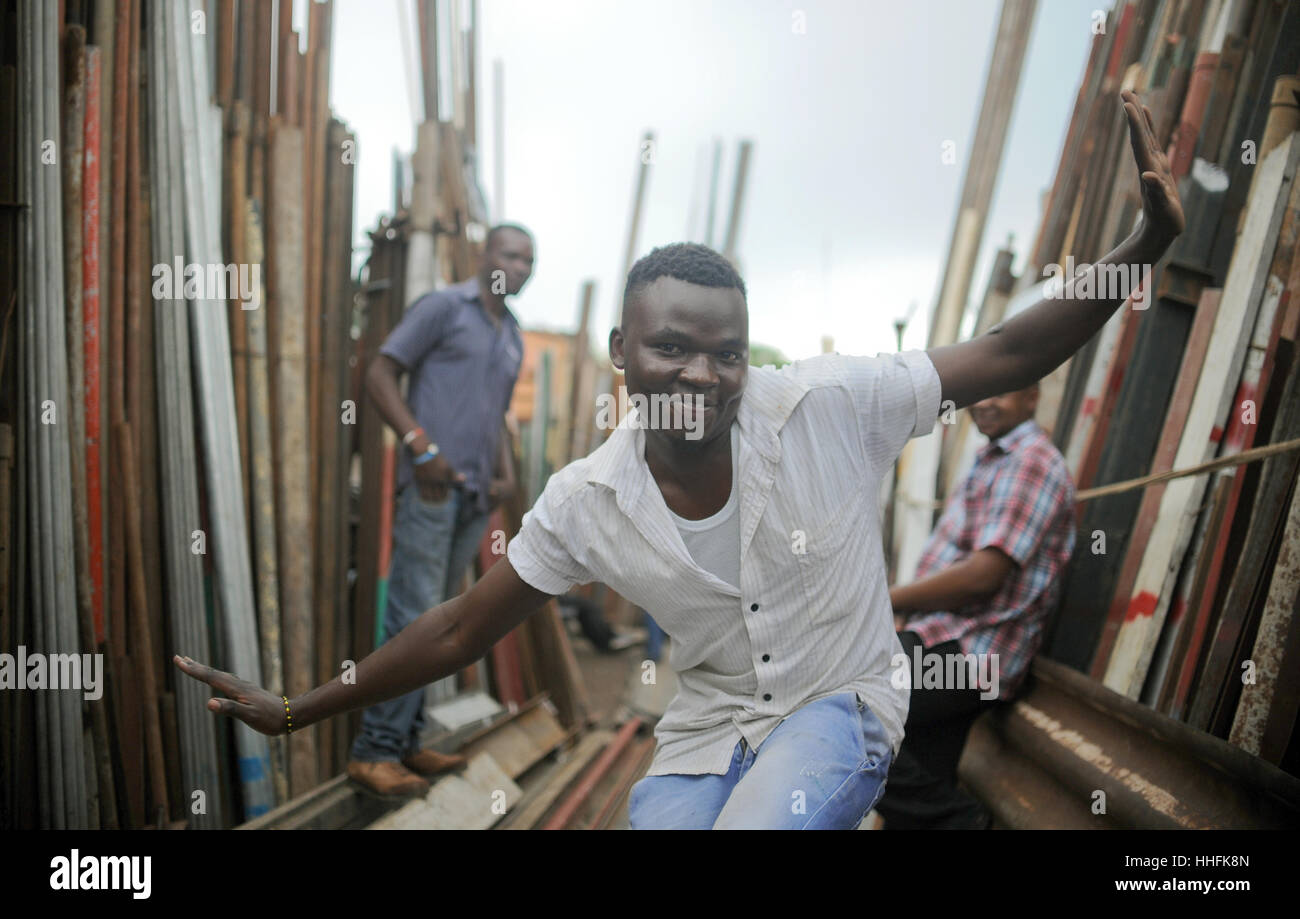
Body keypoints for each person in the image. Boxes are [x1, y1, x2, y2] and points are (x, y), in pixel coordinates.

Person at [175, 91, 1182, 828]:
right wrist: (299, 705)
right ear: (621, 352)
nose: (702, 373)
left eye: (726, 352)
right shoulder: (588, 502)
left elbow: (1007, 350)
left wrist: (1142, 242)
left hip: (841, 702)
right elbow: (451, 628)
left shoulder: (827, 405)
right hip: (709, 725)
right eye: (670, 347)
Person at [346, 223, 535, 798]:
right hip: (431, 489)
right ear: (483, 255)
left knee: (441, 623)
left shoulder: (513, 334)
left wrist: (504, 474)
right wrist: (420, 448)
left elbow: (497, 415)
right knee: (413, 616)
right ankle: (373, 752)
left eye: (530, 259)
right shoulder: (444, 307)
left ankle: (405, 743)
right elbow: (379, 373)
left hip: (474, 498)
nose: (520, 266)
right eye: (510, 254)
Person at [876, 383, 1075, 829]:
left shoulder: (1030, 462)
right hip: (943, 640)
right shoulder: (991, 461)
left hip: (976, 658)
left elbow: (983, 576)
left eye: (1001, 393)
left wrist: (884, 599)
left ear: (1033, 395)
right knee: (919, 770)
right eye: (979, 392)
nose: (984, 402)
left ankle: (963, 823)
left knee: (847, 707)